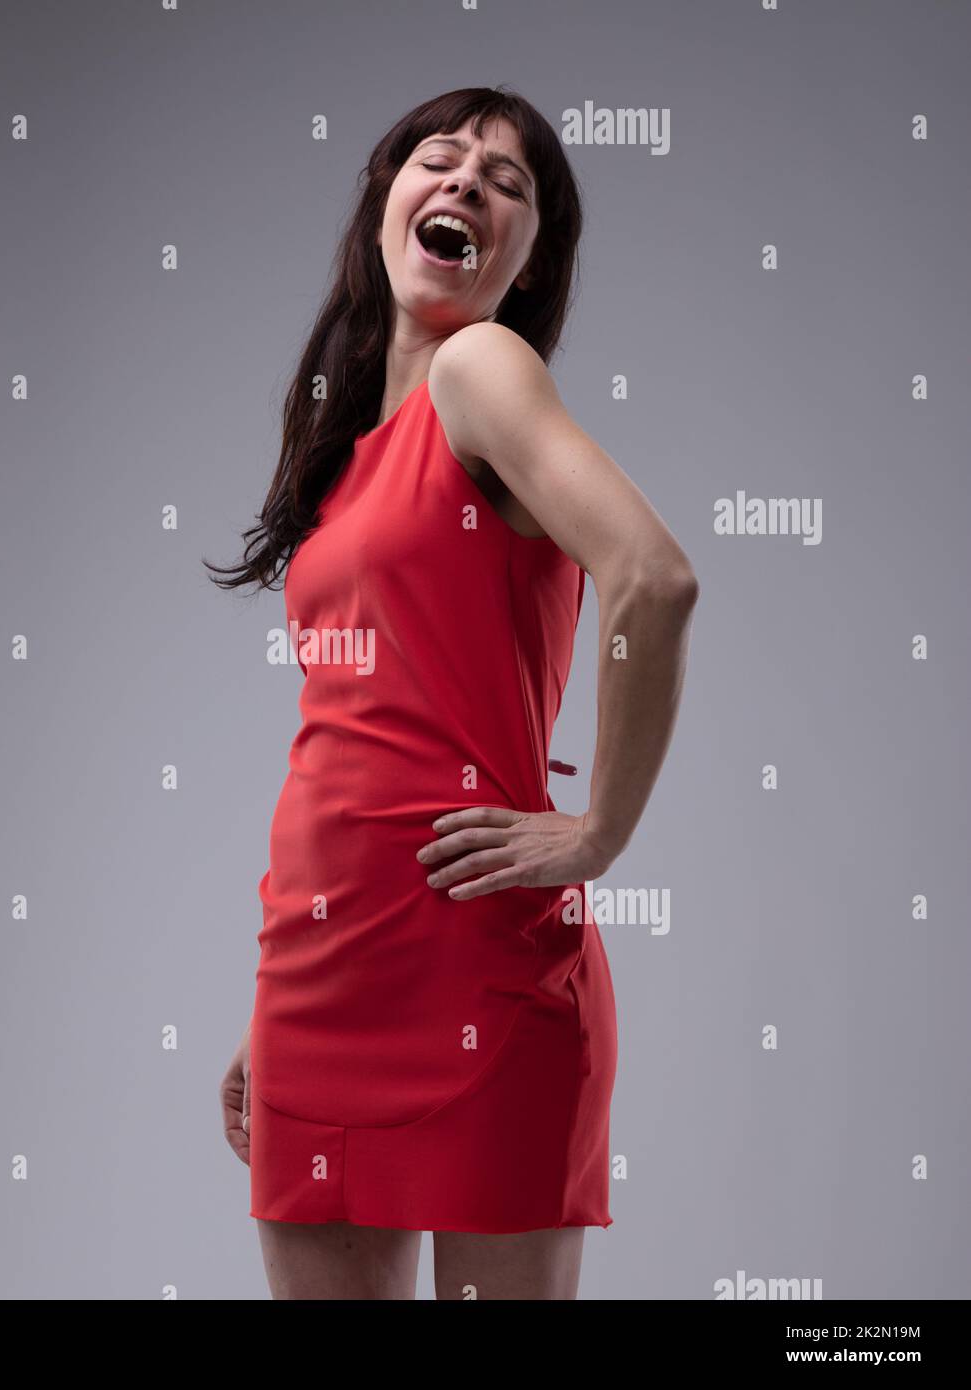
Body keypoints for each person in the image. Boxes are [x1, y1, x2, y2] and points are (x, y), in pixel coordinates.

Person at [207, 86, 699, 1300]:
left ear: (526, 265)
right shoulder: (338, 450)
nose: (468, 182)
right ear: (385, 204)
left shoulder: (482, 367)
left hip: (480, 961)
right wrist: (263, 1015)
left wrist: (599, 835)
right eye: (440, 159)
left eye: (509, 182)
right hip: (319, 969)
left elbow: (654, 578)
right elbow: (355, 729)